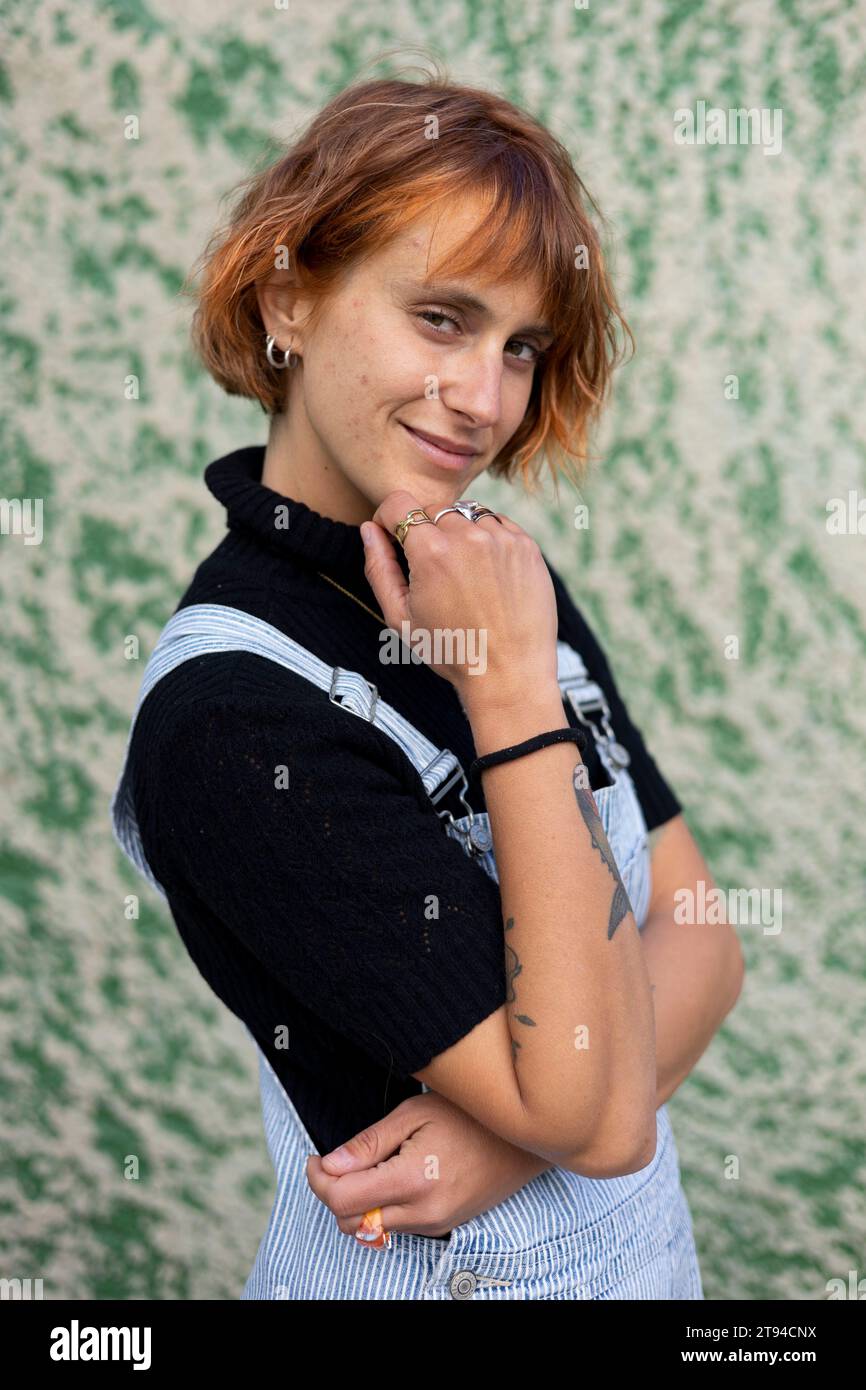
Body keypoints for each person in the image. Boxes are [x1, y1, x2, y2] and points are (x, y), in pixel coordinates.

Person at [110, 68, 744, 1300]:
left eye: (520, 348)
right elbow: (600, 1115)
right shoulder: (232, 720)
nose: (484, 399)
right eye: (442, 320)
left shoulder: (503, 584)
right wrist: (510, 699)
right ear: (289, 293)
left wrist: (508, 1140)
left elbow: (707, 940)